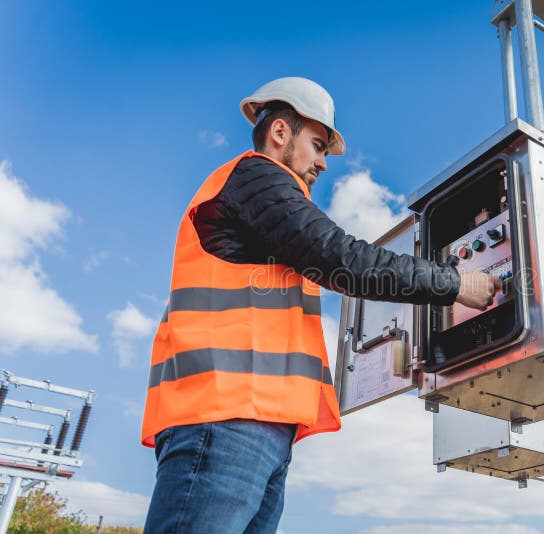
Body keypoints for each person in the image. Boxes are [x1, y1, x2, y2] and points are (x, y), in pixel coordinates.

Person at [141, 77, 500, 533]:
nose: (323, 163)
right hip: (223, 418)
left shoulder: (260, 209)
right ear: (279, 134)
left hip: (261, 427)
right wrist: (454, 283)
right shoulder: (256, 177)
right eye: (317, 145)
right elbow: (341, 258)